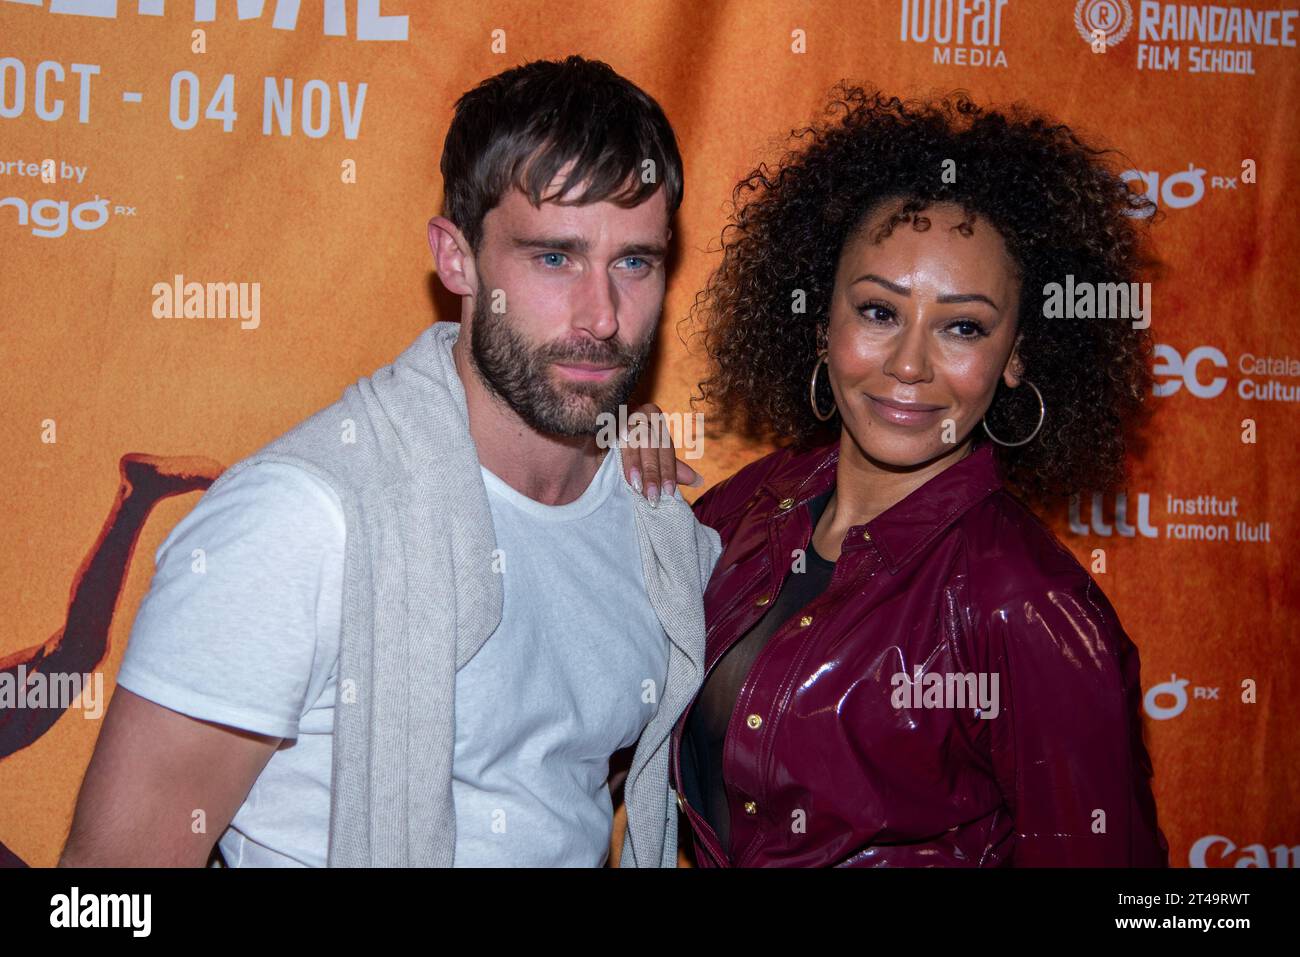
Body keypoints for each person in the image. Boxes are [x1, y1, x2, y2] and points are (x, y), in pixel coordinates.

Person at [59, 55, 718, 869]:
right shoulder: (302, 520)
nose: (603, 317)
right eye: (554, 257)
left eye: (634, 262)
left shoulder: (648, 523)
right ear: (456, 258)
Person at [625, 85, 1169, 866]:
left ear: (1017, 354)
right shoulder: (748, 508)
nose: (909, 365)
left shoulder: (1032, 609)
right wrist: (603, 479)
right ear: (822, 323)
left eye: (962, 326)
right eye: (880, 311)